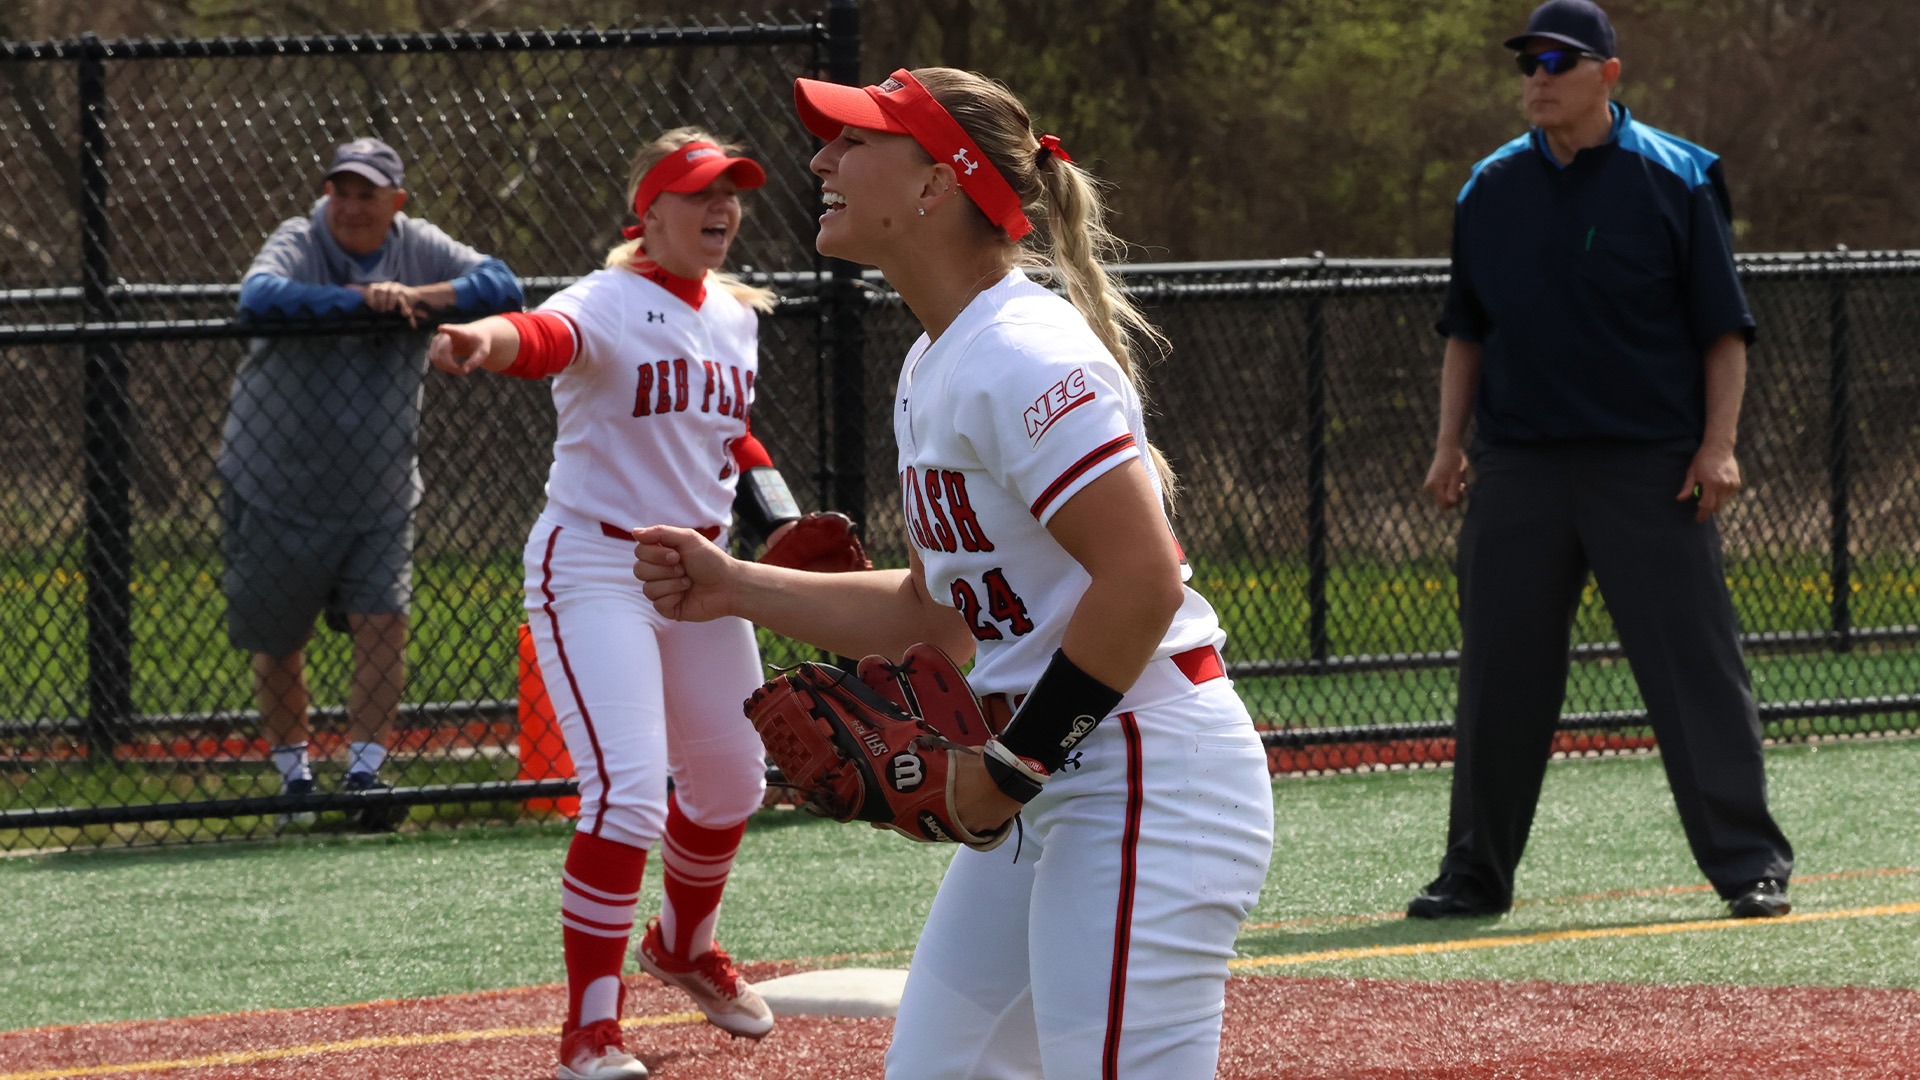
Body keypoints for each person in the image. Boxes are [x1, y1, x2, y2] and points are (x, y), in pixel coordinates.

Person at [632, 69, 1276, 1078]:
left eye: (854, 141)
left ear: (939, 182)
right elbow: (937, 611)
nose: (821, 161)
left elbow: (1142, 583)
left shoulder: (1018, 351)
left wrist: (1012, 766)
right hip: (1059, 768)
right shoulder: (939, 359)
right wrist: (735, 586)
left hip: (1144, 770)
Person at [1410, 0, 1795, 921]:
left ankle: (1749, 865)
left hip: (1650, 468)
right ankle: (1476, 873)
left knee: (1693, 670)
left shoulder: (1681, 176)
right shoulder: (1490, 187)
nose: (1538, 76)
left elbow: (1723, 332)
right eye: (1528, 63)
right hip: (1520, 470)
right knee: (1500, 676)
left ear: (1608, 74)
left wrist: (1720, 446)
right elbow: (1467, 332)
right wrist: (1449, 445)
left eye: (1559, 60)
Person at [428, 129, 800, 1080]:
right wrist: (487, 338)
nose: (724, 207)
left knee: (730, 787)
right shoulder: (605, 300)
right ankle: (589, 1031)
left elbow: (729, 436)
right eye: (702, 192)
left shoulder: (736, 314)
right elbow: (545, 337)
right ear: (650, 211)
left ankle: (681, 945)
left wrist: (785, 516)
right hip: (595, 567)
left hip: (702, 572)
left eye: (734, 192)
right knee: (629, 795)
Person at [219, 136, 523, 829]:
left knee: (384, 621)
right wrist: (364, 303)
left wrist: (414, 297)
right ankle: (295, 783)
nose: (352, 206)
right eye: (342, 191)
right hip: (274, 482)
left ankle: (364, 774)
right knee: (279, 639)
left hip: (380, 491)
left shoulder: (418, 244)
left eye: (368, 194)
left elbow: (502, 285)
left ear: (397, 202)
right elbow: (259, 299)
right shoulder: (300, 237)